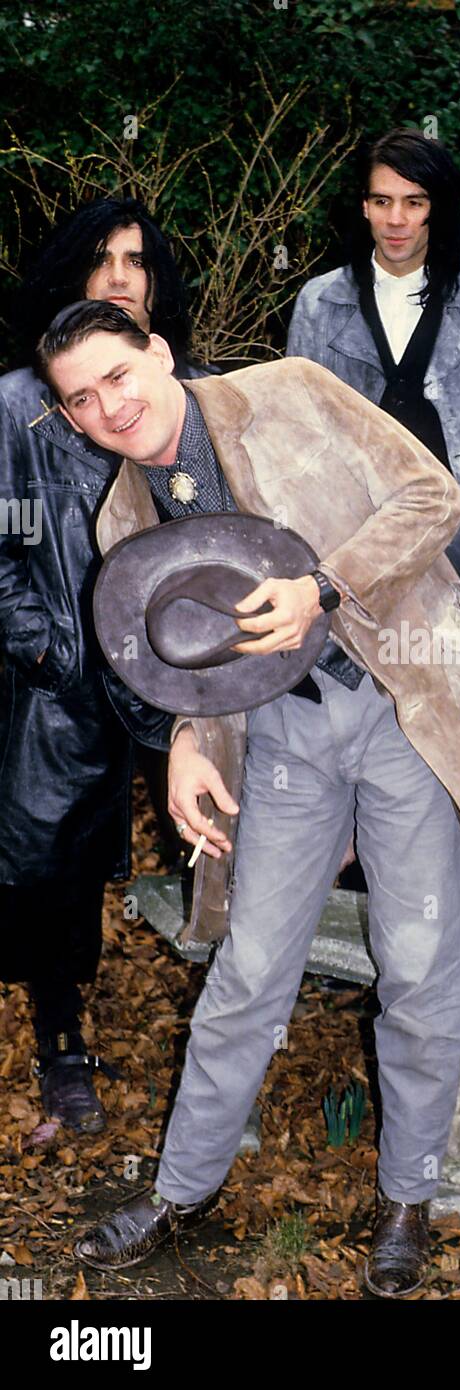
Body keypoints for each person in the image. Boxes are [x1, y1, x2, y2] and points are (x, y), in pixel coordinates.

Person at [37, 301, 460, 1297]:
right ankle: (181, 1190)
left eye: (116, 377)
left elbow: (435, 495)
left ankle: (408, 1196)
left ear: (157, 354)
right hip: (284, 743)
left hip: (402, 705)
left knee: (419, 964)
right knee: (249, 970)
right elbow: (180, 672)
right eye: (80, 400)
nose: (107, 408)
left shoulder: (290, 394)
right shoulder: (122, 517)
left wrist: (326, 585)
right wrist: (183, 742)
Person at [0, 198, 207, 1133]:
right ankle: (62, 1044)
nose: (122, 274)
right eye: (102, 258)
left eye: (138, 259)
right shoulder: (19, 403)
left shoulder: (184, 393)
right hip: (63, 670)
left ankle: (230, 1038)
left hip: (178, 673)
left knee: (224, 831)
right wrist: (37, 640)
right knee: (54, 862)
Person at [286, 126, 460, 676]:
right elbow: (296, 424)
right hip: (351, 522)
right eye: (383, 201)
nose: (397, 220)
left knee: (455, 650)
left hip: (459, 524)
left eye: (414, 202)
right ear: (364, 207)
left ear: (435, 209)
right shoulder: (319, 304)